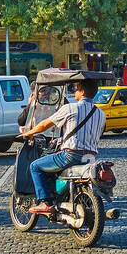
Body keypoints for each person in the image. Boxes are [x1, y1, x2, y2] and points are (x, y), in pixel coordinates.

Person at [18, 78, 106, 216]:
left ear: (82, 92)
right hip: (90, 157)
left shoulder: (70, 107)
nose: (75, 91)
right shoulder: (101, 113)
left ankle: (46, 203)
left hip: (70, 155)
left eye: (77, 88)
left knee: (35, 166)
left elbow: (46, 124)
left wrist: (30, 132)